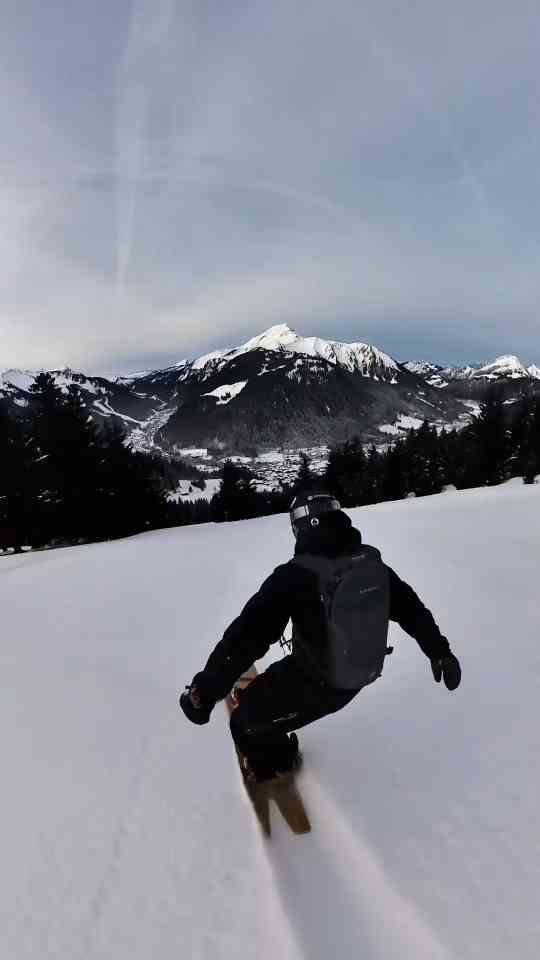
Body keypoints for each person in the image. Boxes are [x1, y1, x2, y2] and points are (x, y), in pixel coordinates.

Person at [179, 487, 461, 782]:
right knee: (273, 684)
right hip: (356, 675)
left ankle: (278, 761)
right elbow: (411, 609)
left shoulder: (293, 576)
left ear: (300, 528)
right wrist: (440, 652)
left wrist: (205, 693)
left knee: (243, 724)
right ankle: (261, 705)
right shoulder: (372, 565)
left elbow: (246, 638)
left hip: (318, 685)